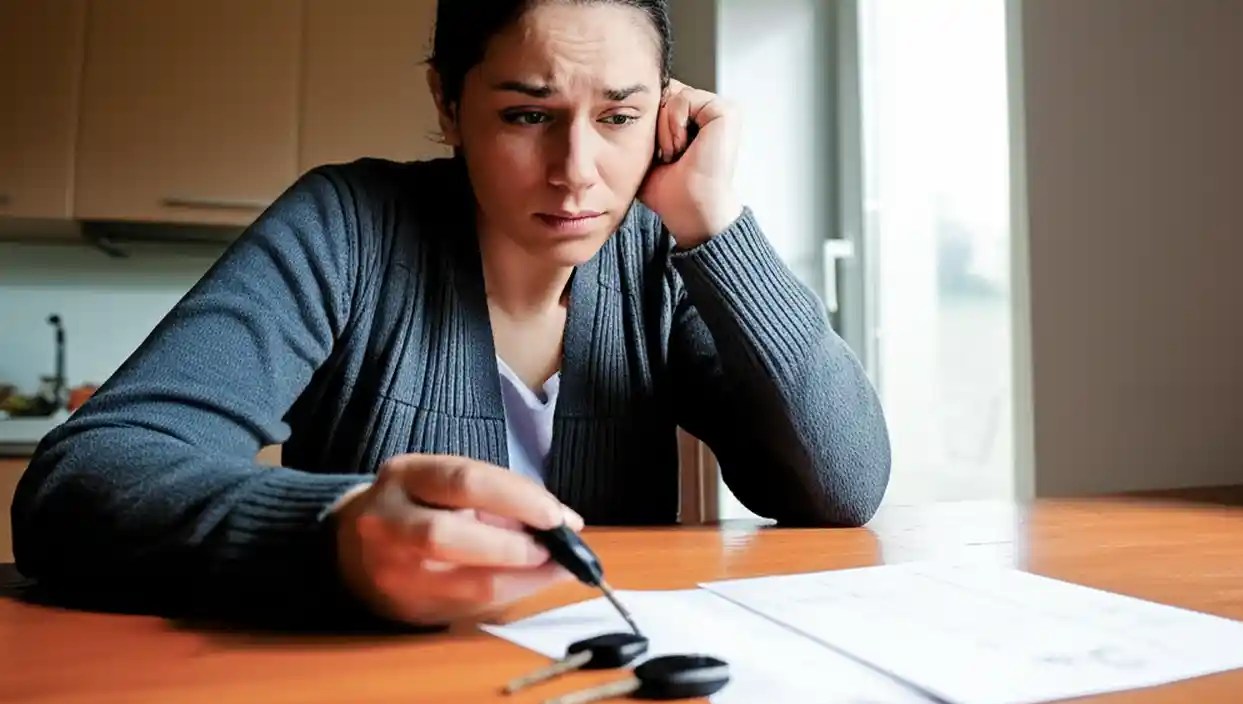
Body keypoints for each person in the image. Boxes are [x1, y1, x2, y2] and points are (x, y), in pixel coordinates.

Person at [12, 0, 890, 629]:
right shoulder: (346, 228)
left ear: (664, 112)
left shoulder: (662, 253)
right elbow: (81, 480)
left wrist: (715, 222)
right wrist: (332, 532)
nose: (578, 170)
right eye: (525, 114)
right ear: (447, 104)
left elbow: (840, 486)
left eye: (620, 115)